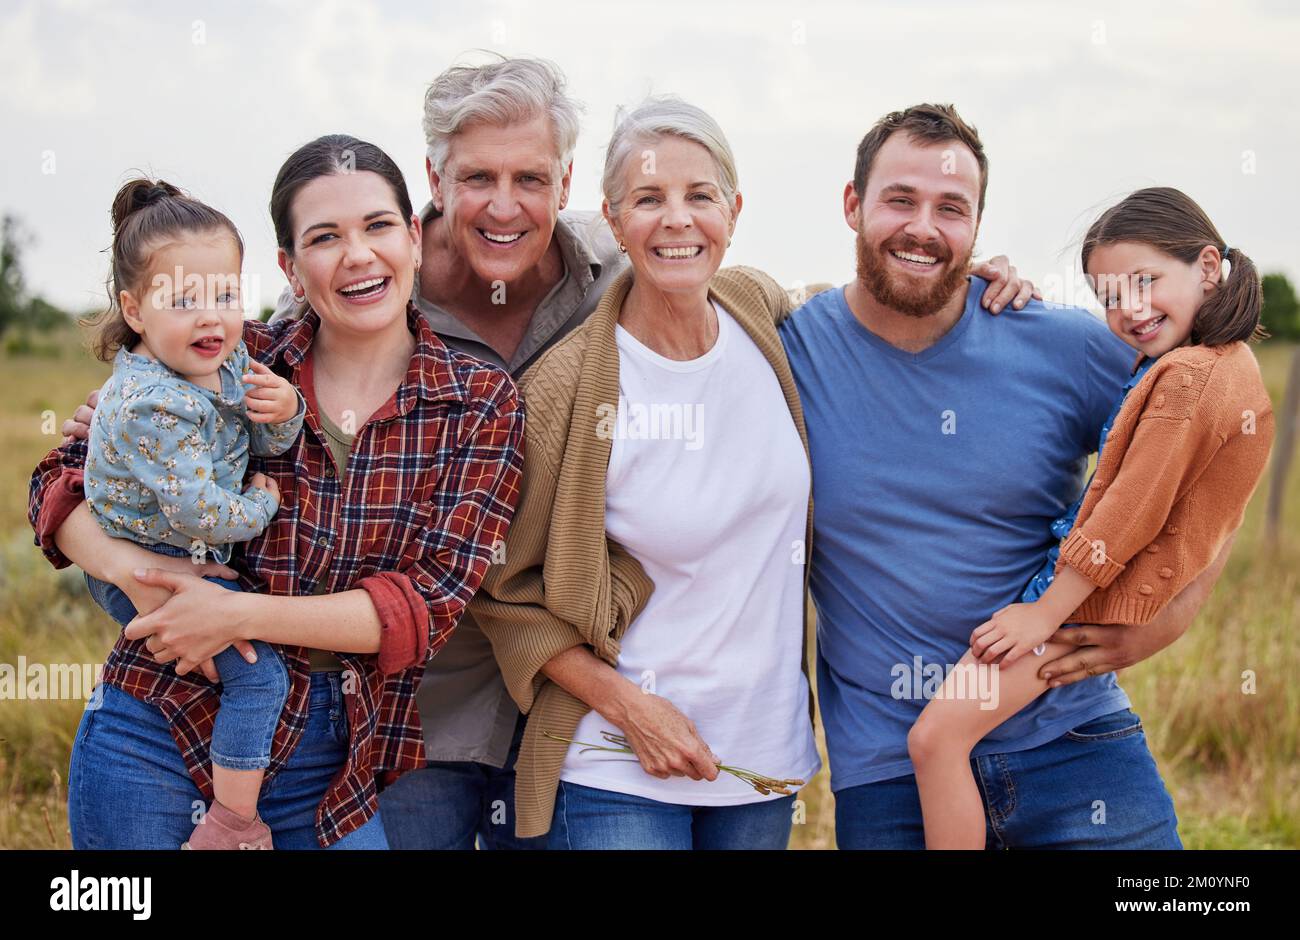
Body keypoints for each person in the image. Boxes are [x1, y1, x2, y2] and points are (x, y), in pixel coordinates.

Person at [28, 134, 524, 849]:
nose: (357, 255)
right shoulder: (224, 356)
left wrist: (236, 616)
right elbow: (59, 478)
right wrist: (135, 573)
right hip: (161, 716)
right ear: (291, 268)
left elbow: (425, 606)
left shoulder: (479, 403)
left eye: (378, 226)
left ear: (415, 238)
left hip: (333, 754)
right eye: (325, 237)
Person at [779, 103, 1237, 849]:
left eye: (950, 209)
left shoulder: (1062, 347)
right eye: (900, 199)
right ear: (853, 205)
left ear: (977, 227)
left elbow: (1213, 456)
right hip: (891, 776)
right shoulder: (789, 351)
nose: (924, 227)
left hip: (1077, 751)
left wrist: (1166, 620)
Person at [470, 96, 820, 849]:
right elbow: (503, 592)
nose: (676, 220)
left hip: (761, 759)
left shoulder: (759, 310)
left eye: (700, 196)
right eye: (649, 199)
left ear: (734, 209)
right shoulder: (562, 392)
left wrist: (981, 282)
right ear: (614, 216)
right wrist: (634, 710)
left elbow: (872, 310)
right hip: (615, 765)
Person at [907, 186, 1274, 848]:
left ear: (1209, 268)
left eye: (1145, 282)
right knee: (943, 738)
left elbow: (1127, 514)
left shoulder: (1188, 378)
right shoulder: (1223, 364)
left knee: (937, 738)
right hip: (1091, 593)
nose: (1129, 309)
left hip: (1081, 599)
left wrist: (1044, 613)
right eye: (1109, 297)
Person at [80, 177, 306, 849]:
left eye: (226, 295)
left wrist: (284, 412)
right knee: (258, 676)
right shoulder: (153, 401)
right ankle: (232, 823)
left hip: (189, 563)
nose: (211, 317)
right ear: (134, 309)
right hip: (151, 566)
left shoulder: (224, 362)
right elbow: (202, 512)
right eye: (184, 300)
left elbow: (258, 439)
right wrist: (263, 502)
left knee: (226, 657)